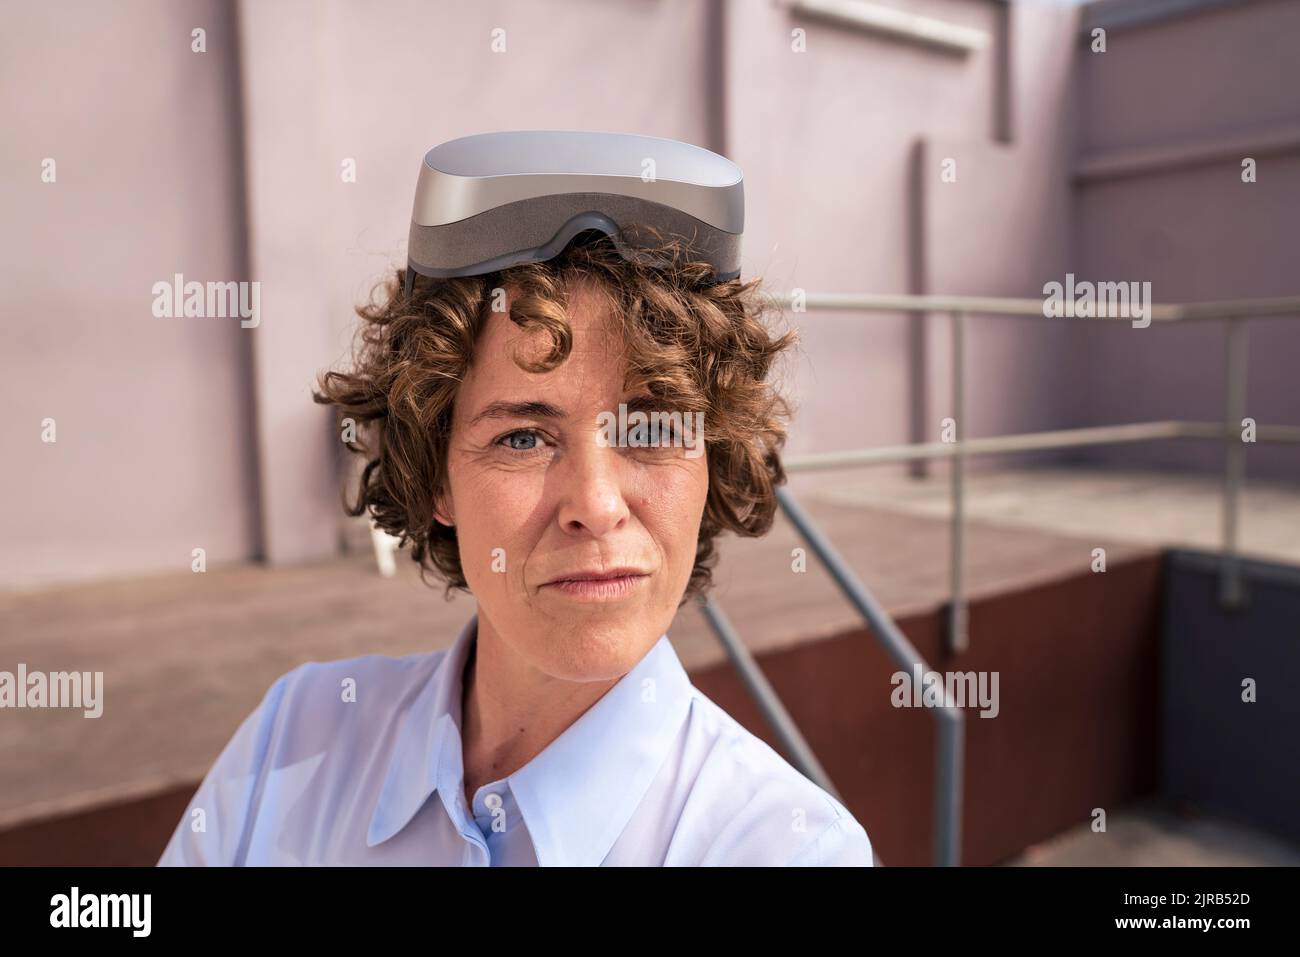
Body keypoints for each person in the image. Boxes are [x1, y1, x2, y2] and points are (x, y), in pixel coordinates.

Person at [157, 138, 874, 867]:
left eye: (653, 427)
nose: (595, 505)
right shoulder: (296, 734)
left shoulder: (791, 849)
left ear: (711, 462)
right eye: (525, 437)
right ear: (435, 474)